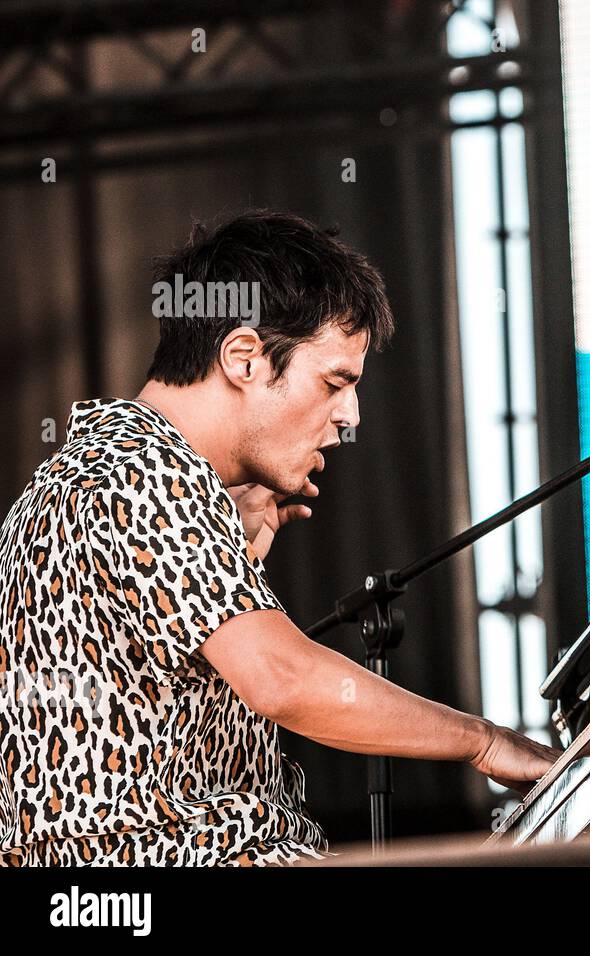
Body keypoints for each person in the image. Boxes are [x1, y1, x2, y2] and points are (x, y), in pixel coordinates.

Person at [0, 210, 559, 866]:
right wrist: (484, 741)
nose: (349, 415)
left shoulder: (104, 466)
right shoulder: (143, 472)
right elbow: (284, 678)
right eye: (333, 383)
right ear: (243, 359)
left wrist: (240, 549)